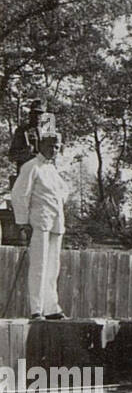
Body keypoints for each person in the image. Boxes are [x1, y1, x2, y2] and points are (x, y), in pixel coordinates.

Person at [12, 131, 68, 321]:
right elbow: (20, 195)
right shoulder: (31, 167)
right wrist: (23, 222)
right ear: (41, 145)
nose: (54, 150)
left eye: (57, 146)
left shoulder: (52, 170)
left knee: (54, 267)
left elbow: (62, 193)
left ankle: (51, 307)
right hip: (38, 223)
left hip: (55, 223)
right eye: (51, 145)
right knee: (39, 266)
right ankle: (36, 309)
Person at [7, 99, 44, 186]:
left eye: (40, 114)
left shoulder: (44, 132)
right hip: (25, 174)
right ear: (30, 115)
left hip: (40, 175)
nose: (38, 117)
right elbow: (11, 156)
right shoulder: (22, 131)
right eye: (35, 114)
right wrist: (24, 153)